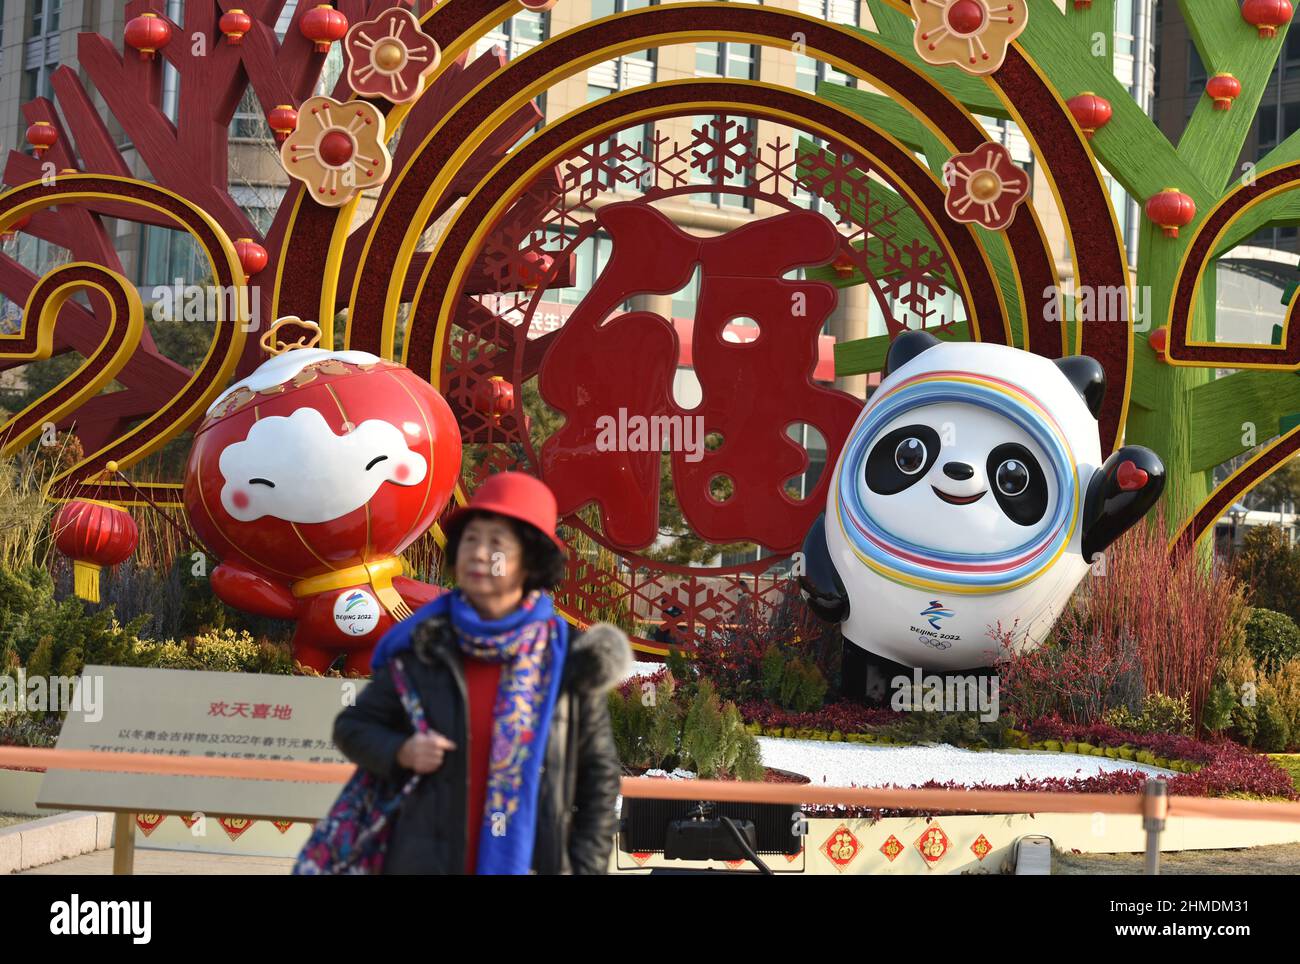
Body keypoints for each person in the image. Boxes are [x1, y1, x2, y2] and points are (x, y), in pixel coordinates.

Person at [332, 472, 631, 874]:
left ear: (531, 559)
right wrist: (401, 751)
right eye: (471, 539)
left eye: (496, 543)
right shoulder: (424, 645)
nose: (477, 552)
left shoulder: (569, 660)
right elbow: (353, 727)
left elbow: (598, 780)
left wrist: (582, 867)